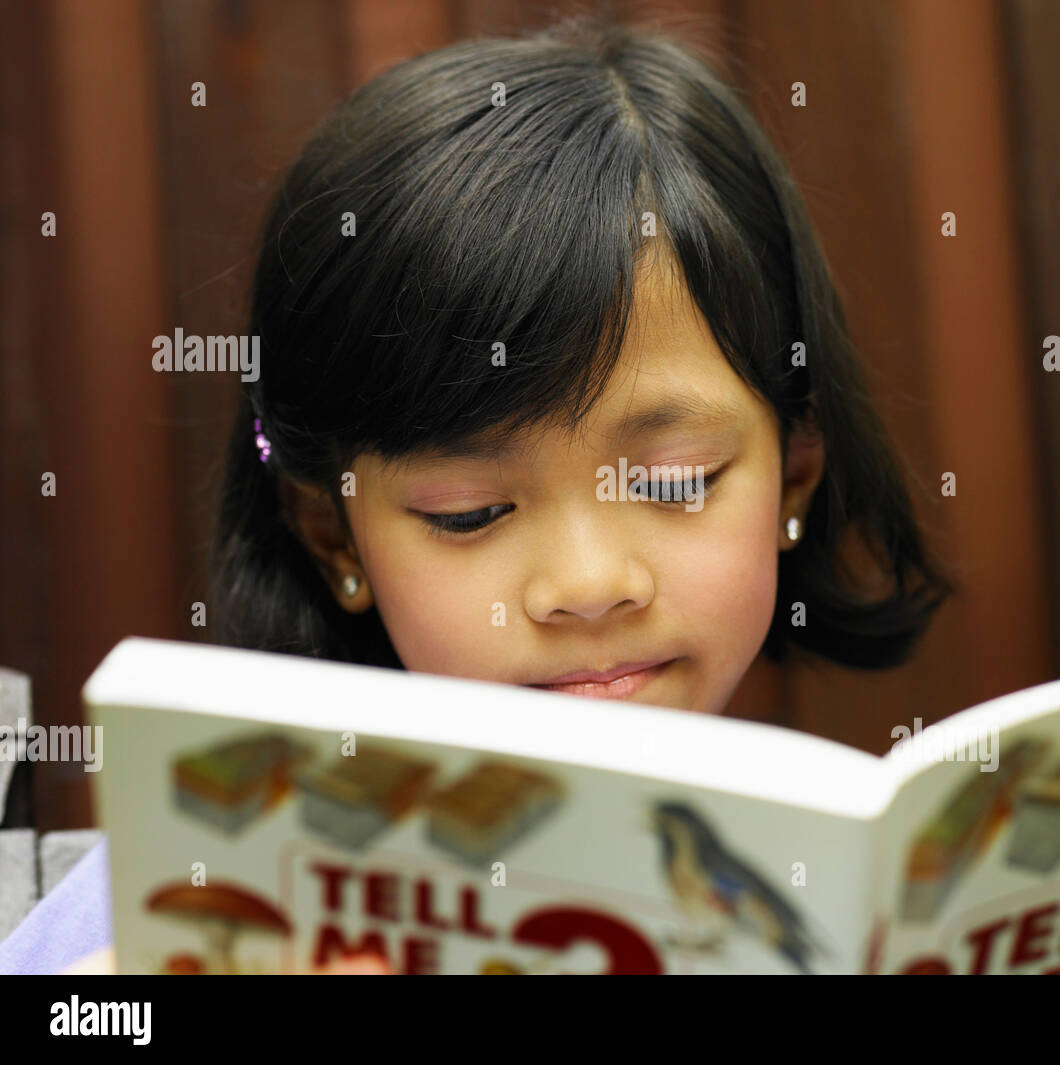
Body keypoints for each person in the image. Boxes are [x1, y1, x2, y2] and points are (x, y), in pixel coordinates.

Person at [5, 15, 950, 974]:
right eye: (469, 511)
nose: (587, 584)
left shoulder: (871, 897)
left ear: (792, 472)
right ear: (336, 538)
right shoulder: (177, 907)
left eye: (674, 481)